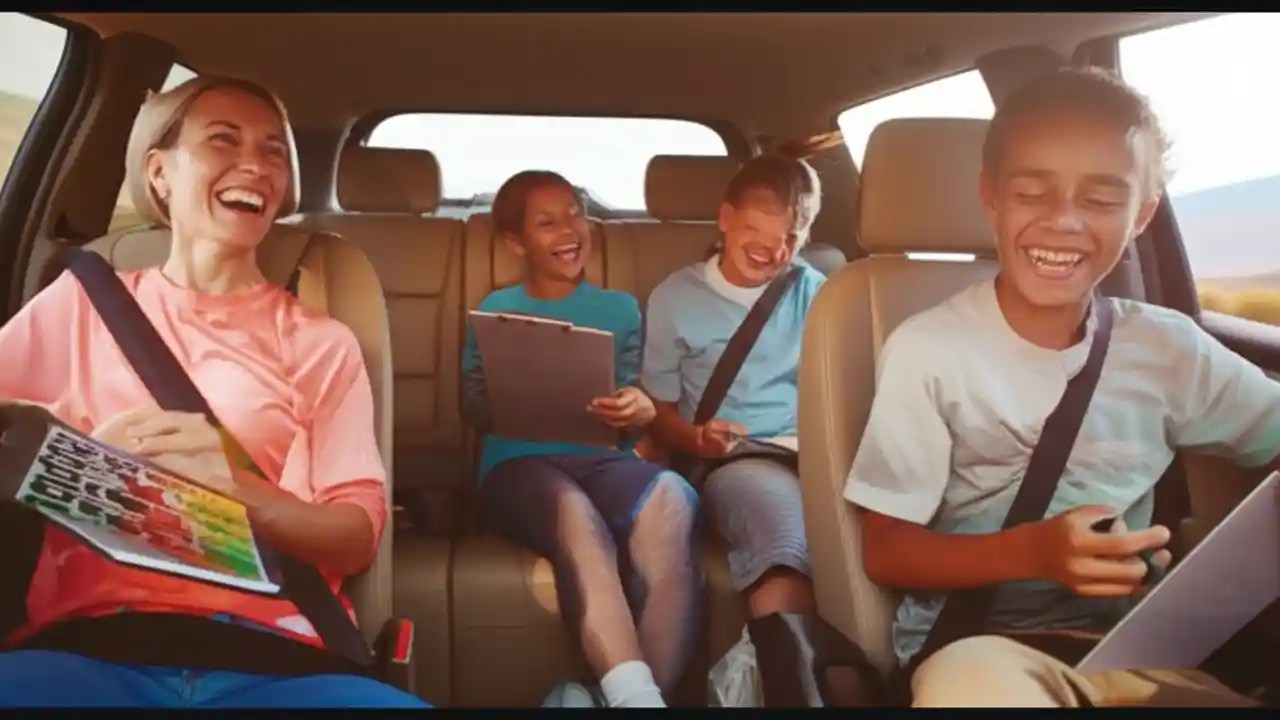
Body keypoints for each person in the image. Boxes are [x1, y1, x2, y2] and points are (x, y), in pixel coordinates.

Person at [843, 66, 1280, 707]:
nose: (1063, 221)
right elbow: (885, 551)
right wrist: (1035, 553)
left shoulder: (1170, 349)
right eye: (1032, 192)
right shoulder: (929, 349)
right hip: (980, 648)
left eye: (1101, 199)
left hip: (1144, 646)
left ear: (1142, 215)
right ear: (991, 197)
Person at [0, 76, 428, 708]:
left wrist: (234, 485)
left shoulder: (319, 340)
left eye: (274, 151)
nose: (254, 164)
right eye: (223, 141)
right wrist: (79, 454)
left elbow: (356, 534)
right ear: (160, 172)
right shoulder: (80, 304)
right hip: (91, 644)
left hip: (274, 654)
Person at [461, 170, 702, 708]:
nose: (569, 229)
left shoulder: (619, 309)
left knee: (671, 497)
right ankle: (634, 698)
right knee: (573, 511)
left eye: (574, 213)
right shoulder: (496, 309)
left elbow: (638, 402)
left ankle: (629, 700)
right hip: (518, 465)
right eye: (547, 222)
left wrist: (639, 408)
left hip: (601, 459)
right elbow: (475, 408)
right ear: (516, 243)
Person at [642, 150, 828, 623]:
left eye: (791, 237)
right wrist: (697, 439)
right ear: (725, 220)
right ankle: (794, 675)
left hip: (820, 458)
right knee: (784, 533)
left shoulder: (819, 293)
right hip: (738, 459)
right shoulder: (676, 298)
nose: (774, 250)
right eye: (756, 232)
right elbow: (659, 415)